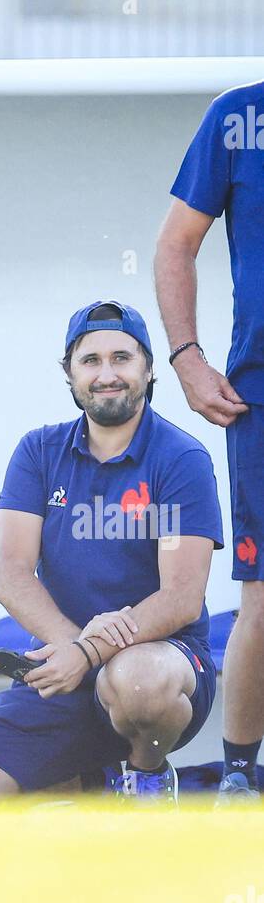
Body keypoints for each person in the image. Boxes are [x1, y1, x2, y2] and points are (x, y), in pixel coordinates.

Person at [0, 301, 222, 804]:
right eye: (91, 360)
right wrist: (73, 648)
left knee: (138, 682)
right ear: (69, 373)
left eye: (122, 358)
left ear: (147, 368)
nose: (107, 374)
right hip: (67, 667)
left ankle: (146, 777)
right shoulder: (39, 451)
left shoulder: (178, 457)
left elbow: (181, 597)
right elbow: (8, 573)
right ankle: (92, 780)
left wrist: (90, 653)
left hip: (163, 665)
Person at [155, 82, 264, 802]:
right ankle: (238, 774)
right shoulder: (237, 118)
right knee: (262, 595)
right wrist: (188, 357)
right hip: (259, 395)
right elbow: (176, 246)